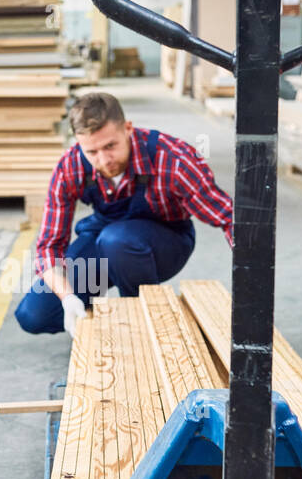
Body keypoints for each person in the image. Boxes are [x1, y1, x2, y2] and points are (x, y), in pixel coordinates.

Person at [14, 91, 233, 335]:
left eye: (110, 146)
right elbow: (50, 247)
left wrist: (253, 283)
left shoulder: (173, 159)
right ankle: (102, 317)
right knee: (33, 315)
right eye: (92, 152)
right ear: (78, 143)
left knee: (118, 241)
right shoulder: (70, 167)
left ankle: (141, 322)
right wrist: (67, 298)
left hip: (165, 242)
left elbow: (228, 217)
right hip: (103, 237)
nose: (104, 160)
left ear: (128, 128)